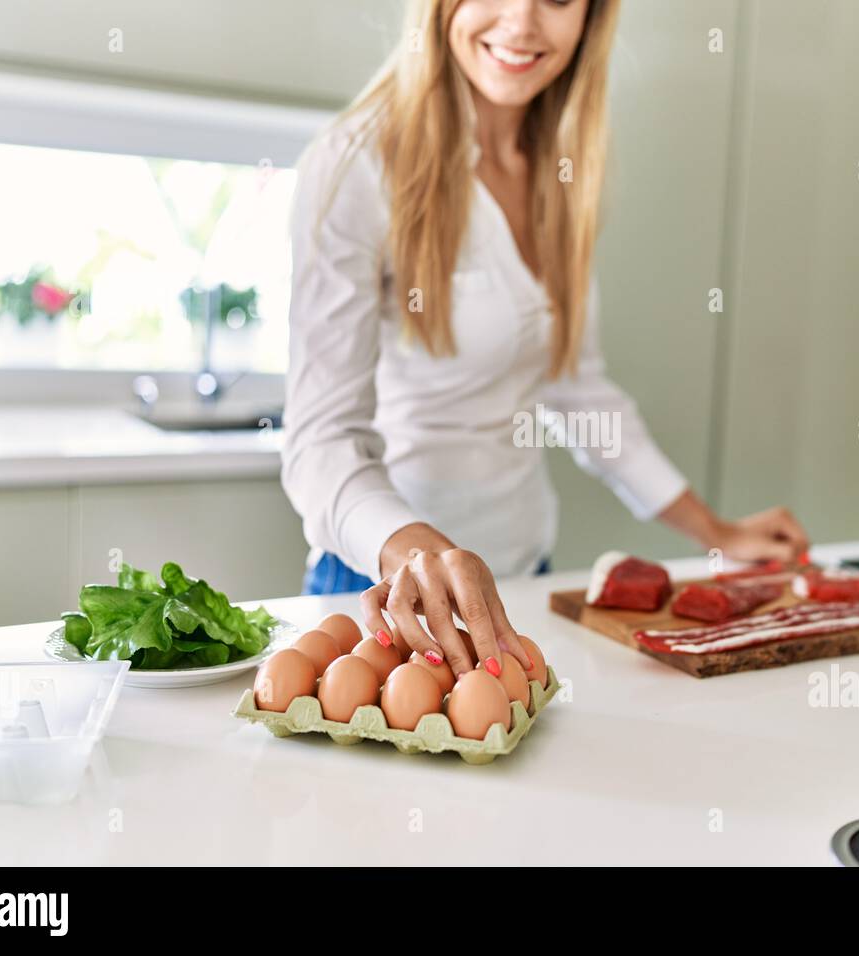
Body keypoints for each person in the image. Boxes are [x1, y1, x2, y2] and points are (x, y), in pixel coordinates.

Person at [282, 0, 808, 681]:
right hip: (382, 595)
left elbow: (576, 387)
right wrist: (422, 555)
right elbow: (320, 443)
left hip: (523, 575)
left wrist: (717, 532)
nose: (522, 23)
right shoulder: (355, 163)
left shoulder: (560, 165)